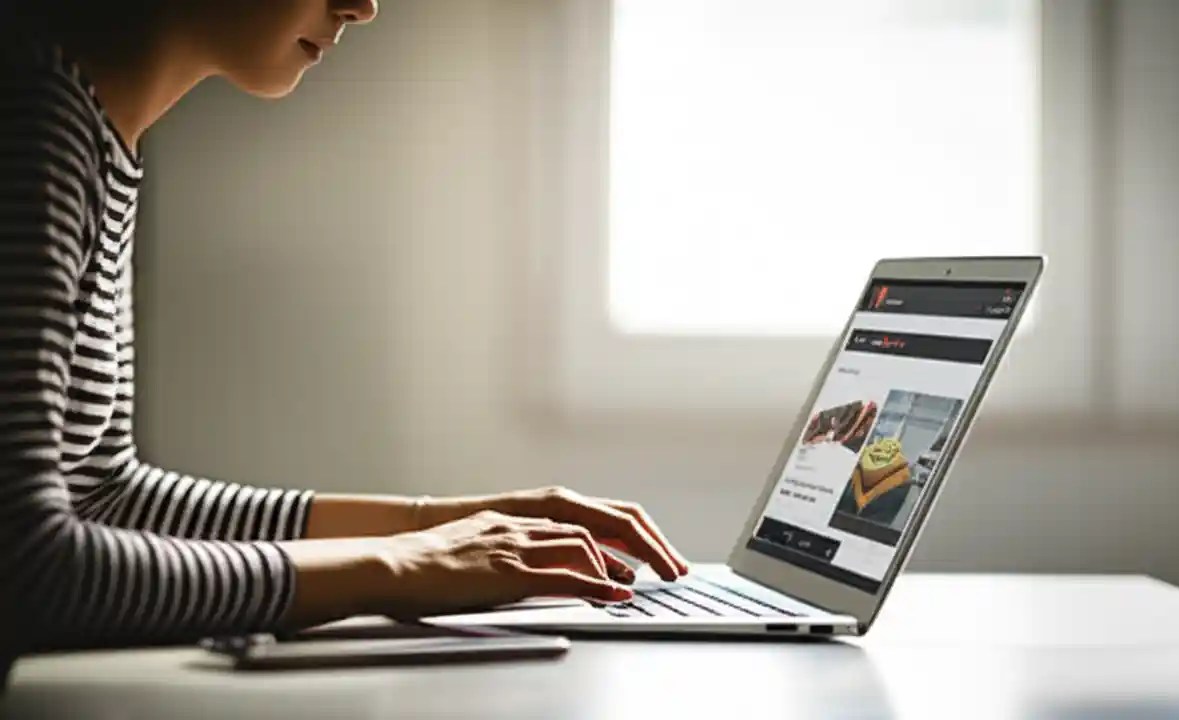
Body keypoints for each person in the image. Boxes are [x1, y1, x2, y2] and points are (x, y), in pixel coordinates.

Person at [0, 0, 690, 673]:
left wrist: (440, 527)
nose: (363, 7)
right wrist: (396, 566)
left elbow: (102, 496)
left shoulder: (88, 121)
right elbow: (27, 566)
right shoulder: (32, 119)